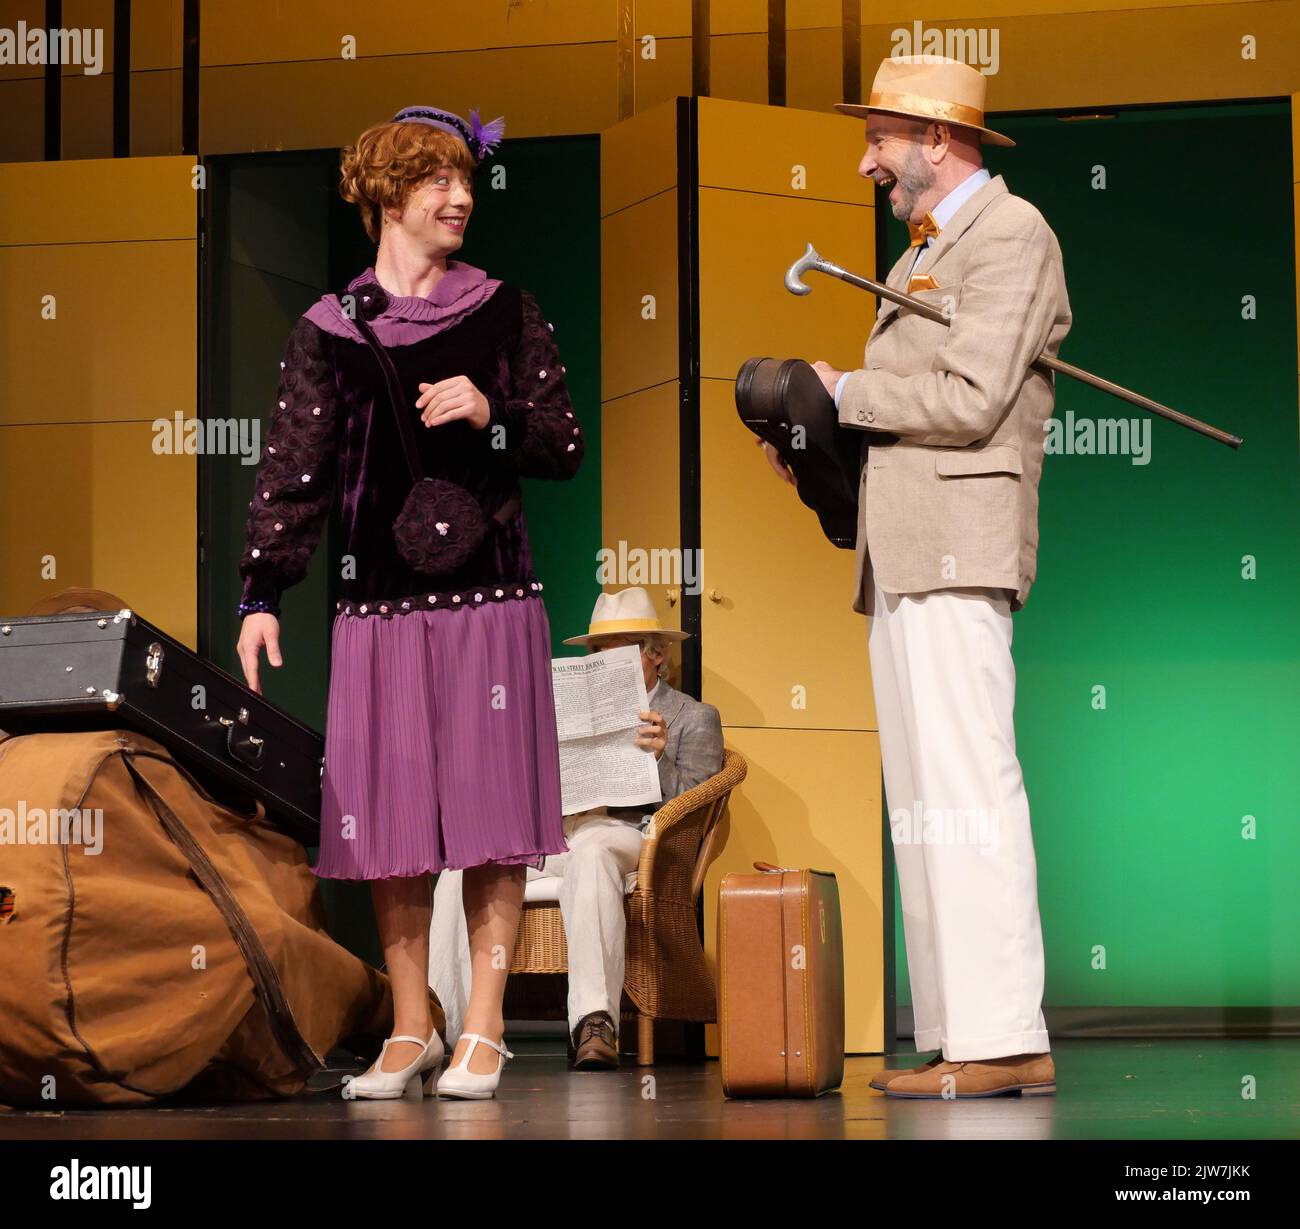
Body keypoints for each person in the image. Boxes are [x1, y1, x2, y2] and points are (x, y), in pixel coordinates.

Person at [235, 103, 584, 1101]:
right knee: (389, 823)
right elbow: (292, 467)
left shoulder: (504, 311)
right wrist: (264, 590)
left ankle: (483, 1025)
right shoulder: (329, 328)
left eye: (467, 180)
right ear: (387, 194)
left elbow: (560, 444)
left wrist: (490, 412)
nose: (460, 197)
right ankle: (409, 1025)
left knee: (490, 818)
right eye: (438, 180)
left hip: (491, 599)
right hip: (377, 609)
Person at [761, 54, 1071, 1098]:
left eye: (879, 139)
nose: (866, 161)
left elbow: (975, 394)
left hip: (957, 546)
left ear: (936, 138)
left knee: (969, 784)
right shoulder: (922, 254)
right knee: (927, 800)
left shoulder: (1013, 233)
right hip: (899, 549)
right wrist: (815, 443)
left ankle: (1003, 1031)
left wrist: (843, 391)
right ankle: (957, 1033)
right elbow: (907, 416)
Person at [429, 587, 723, 1068]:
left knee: (593, 850)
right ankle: (448, 1027)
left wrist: (661, 756)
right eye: (599, 655)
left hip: (637, 837)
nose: (608, 663)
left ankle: (594, 1024)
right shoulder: (564, 708)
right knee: (464, 867)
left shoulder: (693, 716)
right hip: (564, 831)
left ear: (656, 654)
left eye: (621, 654)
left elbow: (697, 804)